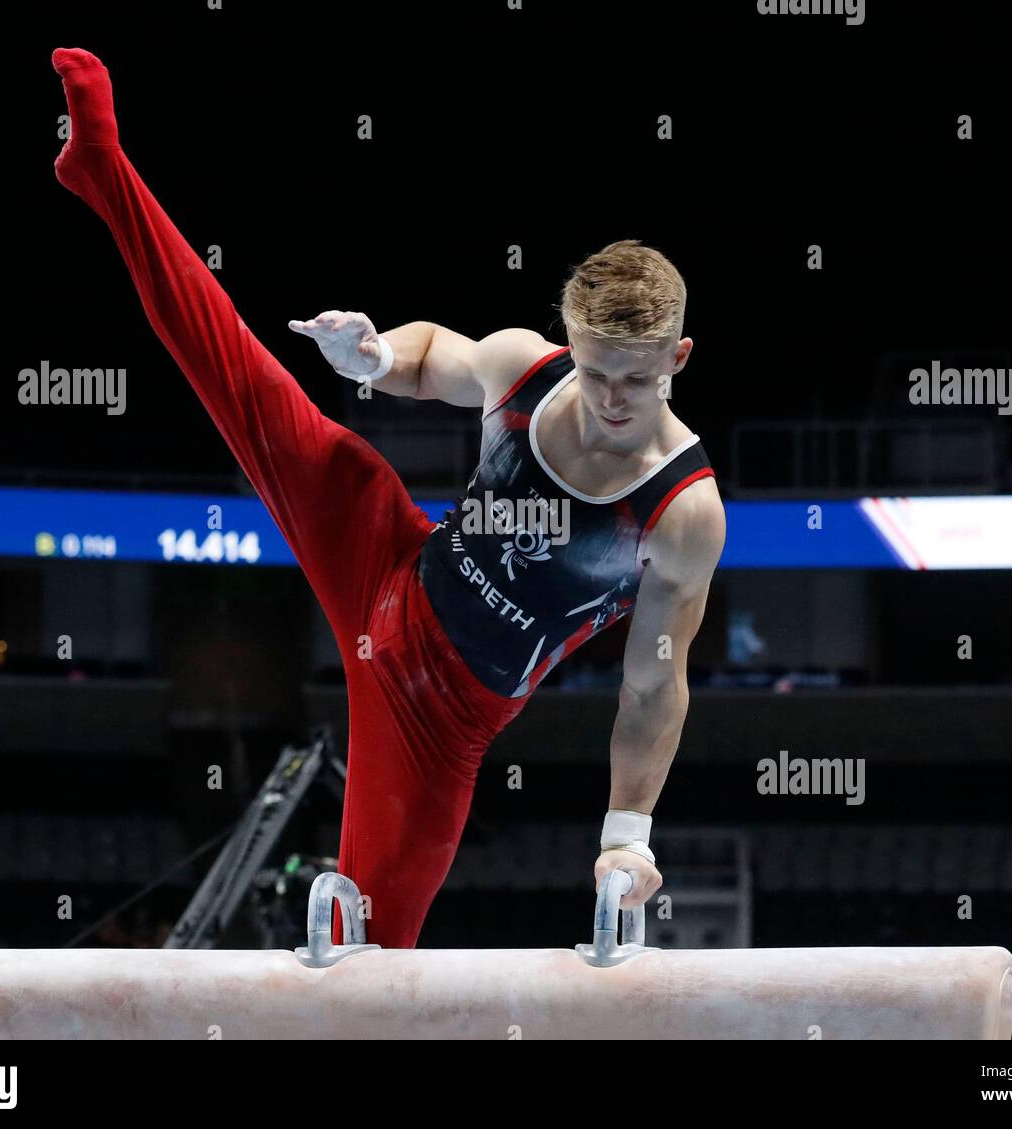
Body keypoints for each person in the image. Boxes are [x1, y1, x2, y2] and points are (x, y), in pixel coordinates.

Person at [51, 48, 726, 948]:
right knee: (235, 371)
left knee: (373, 956)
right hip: (389, 555)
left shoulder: (681, 511)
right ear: (569, 341)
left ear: (678, 358)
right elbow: (432, 353)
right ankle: (103, 166)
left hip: (441, 716)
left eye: (637, 381)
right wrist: (370, 355)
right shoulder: (525, 368)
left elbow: (653, 683)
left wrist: (625, 836)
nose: (609, 399)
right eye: (596, 370)